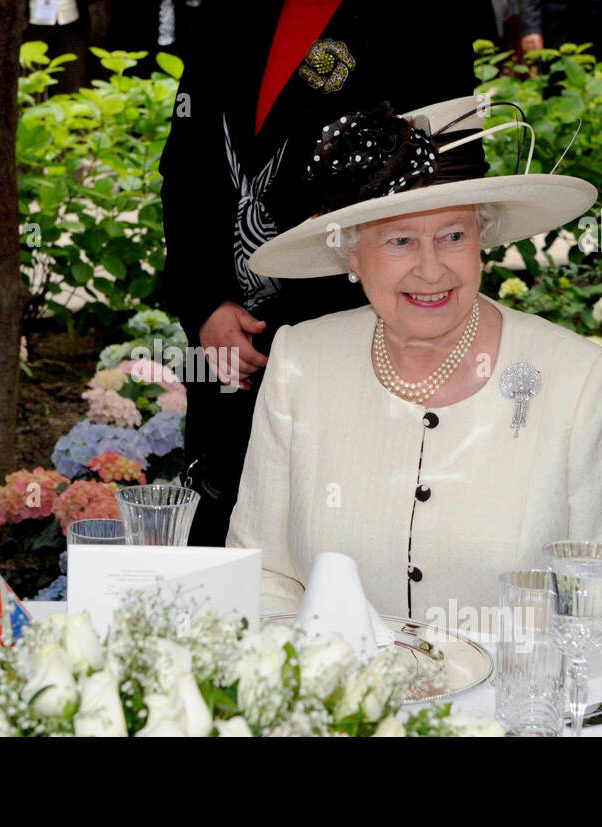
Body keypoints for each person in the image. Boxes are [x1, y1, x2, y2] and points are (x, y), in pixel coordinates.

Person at [226, 95, 602, 653]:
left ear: (482, 240)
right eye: (400, 240)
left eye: (454, 236)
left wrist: (524, 691)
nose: (431, 268)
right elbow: (265, 573)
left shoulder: (577, 378)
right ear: (352, 255)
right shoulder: (300, 361)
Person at [161, 0, 496, 546]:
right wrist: (205, 305)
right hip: (230, 347)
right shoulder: (225, 12)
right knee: (226, 542)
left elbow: (444, 188)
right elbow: (187, 169)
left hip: (358, 342)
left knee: (348, 545)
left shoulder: (427, 15)